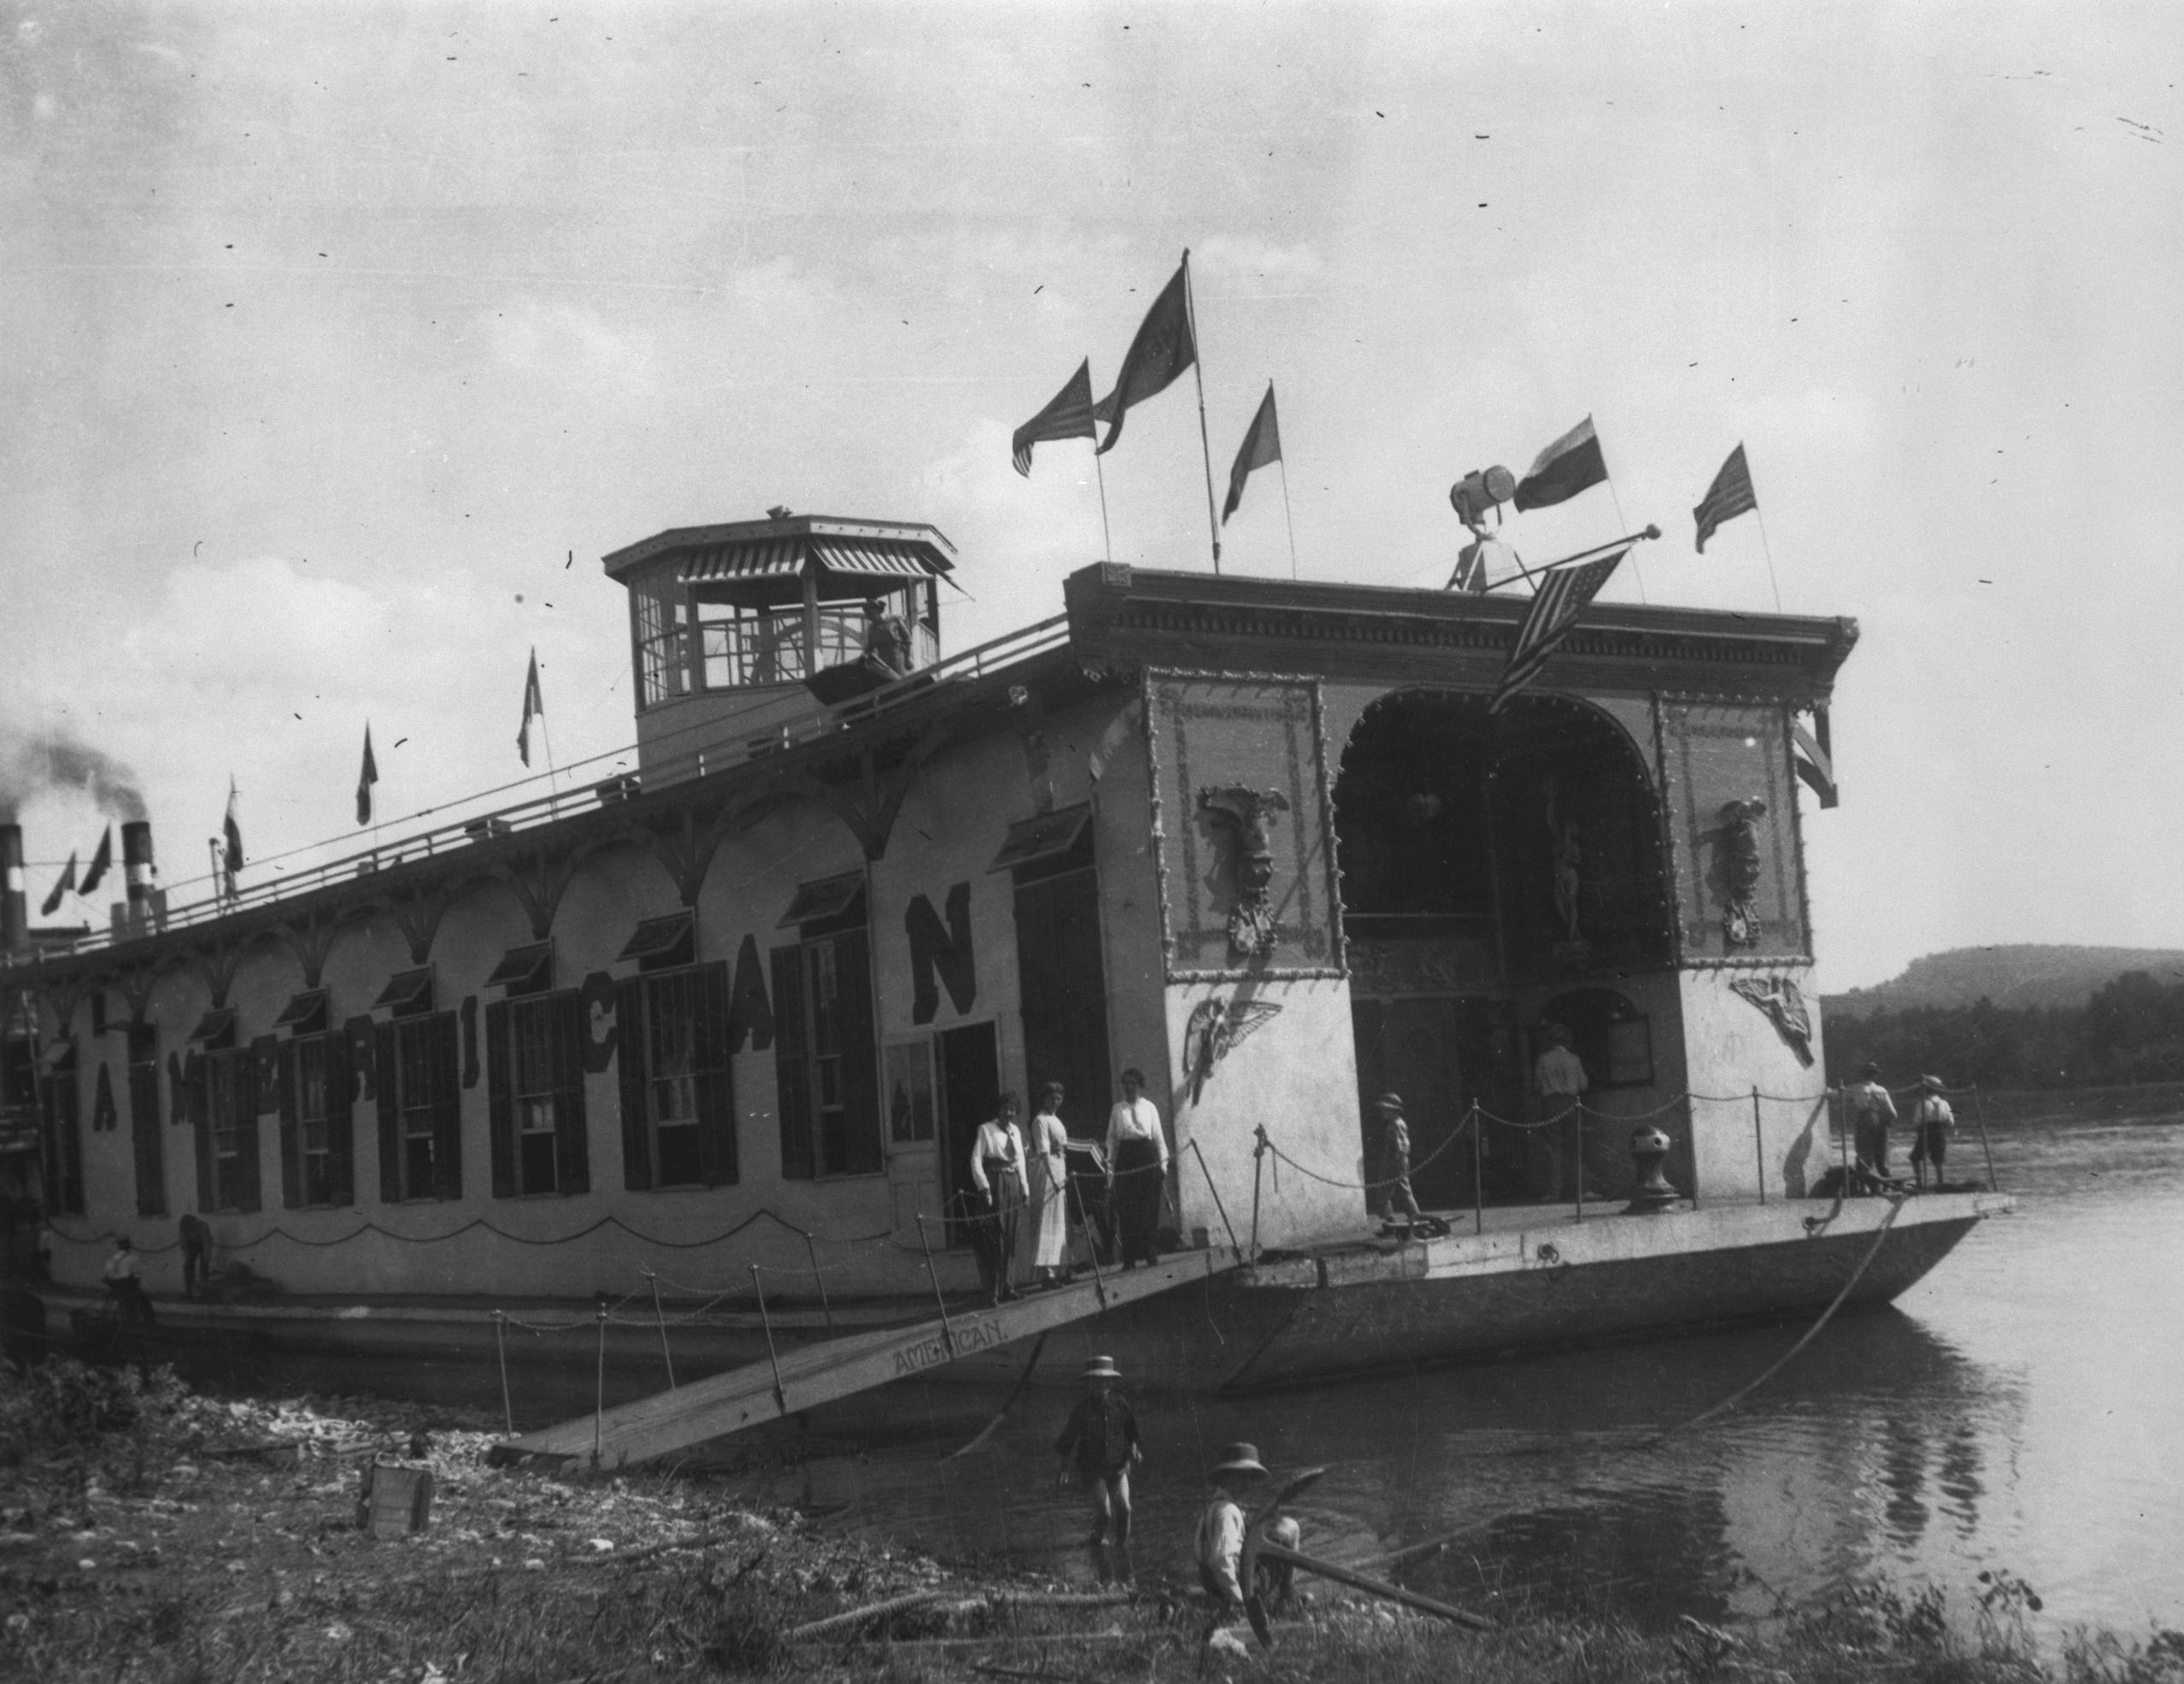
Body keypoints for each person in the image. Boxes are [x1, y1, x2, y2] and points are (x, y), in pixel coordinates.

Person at [1195, 1442, 1306, 1634]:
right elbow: (1219, 1559)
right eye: (1240, 1477)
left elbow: (1201, 1553)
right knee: (1291, 1528)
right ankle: (1286, 1597)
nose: (1247, 1484)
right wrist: (1239, 1599)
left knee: (1270, 1533)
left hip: (1212, 1584)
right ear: (1226, 1478)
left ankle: (1278, 1597)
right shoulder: (1228, 1511)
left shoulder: (1212, 1509)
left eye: (1249, 1478)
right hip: (1243, 1585)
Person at [1053, 1354, 1141, 1583]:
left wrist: (1134, 1450)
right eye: (1098, 1381)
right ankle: (1096, 1540)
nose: (1103, 1385)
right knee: (1106, 1512)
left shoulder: (1121, 1405)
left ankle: (1122, 1550)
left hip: (1119, 1467)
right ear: (1090, 1384)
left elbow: (1132, 1433)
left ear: (1111, 1383)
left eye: (1107, 1381)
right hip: (1092, 1471)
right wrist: (1064, 1469)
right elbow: (1068, 1440)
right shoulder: (1082, 1409)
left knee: (1126, 1509)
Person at [1105, 1067, 1170, 1268]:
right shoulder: (1117, 1109)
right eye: (1126, 1084)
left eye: (1133, 1083)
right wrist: (1109, 1169)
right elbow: (1111, 1141)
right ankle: (1130, 1257)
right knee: (1127, 1208)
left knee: (1148, 1207)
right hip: (1126, 1157)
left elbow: (1158, 1138)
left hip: (1146, 1156)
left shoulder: (1149, 1107)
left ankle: (1150, 1252)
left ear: (1139, 1085)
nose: (1130, 1087)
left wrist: (1163, 1164)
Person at [968, 1093, 1028, 1302]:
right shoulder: (986, 1129)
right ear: (999, 1109)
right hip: (995, 1182)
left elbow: (1020, 1160)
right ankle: (992, 1291)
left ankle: (1008, 1287)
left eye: (1012, 1109)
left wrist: (1025, 1187)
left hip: (1012, 1183)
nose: (1008, 1113)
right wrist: (984, 1187)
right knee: (994, 1237)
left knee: (1011, 1237)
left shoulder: (1016, 1131)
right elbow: (976, 1160)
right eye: (1005, 1108)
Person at [1533, 1023, 1588, 1200]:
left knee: (1554, 1149)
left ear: (1550, 1041)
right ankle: (1581, 1189)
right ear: (1567, 1040)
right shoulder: (1574, 1059)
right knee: (1575, 1147)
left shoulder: (1543, 1060)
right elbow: (1583, 1085)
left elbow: (1537, 1085)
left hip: (1550, 1104)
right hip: (1571, 1103)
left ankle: (1554, 1191)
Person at [1027, 1083, 1073, 1286]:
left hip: (1059, 1167)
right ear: (1044, 1098)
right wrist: (1053, 1179)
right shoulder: (1040, 1120)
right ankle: (1047, 1274)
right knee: (1047, 1220)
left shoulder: (1055, 1119)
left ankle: (1060, 1268)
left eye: (1058, 1099)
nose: (1055, 1102)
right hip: (1046, 1171)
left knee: (1059, 1221)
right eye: (1051, 1098)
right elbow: (1043, 1150)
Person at [1371, 1093, 1424, 1229]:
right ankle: (1391, 1223)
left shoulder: (1398, 1124)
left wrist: (1399, 1162)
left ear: (1392, 1110)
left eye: (1385, 1109)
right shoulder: (1392, 1124)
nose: (1382, 1112)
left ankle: (1417, 1220)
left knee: (1405, 1193)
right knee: (1383, 1193)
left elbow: (1403, 1144)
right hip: (1390, 1163)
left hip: (1397, 1163)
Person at [1847, 1061, 1899, 1185]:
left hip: (1864, 1121)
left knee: (1864, 1154)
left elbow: (1834, 1095)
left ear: (1861, 1075)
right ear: (1875, 1076)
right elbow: (1893, 1113)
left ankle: (1864, 1187)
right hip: (1881, 1121)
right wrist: (1889, 1123)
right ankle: (1888, 1184)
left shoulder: (1855, 1088)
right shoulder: (1881, 1090)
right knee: (1882, 1156)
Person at [1909, 1075, 1954, 1192]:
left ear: (1927, 1089)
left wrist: (1916, 1127)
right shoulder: (1944, 1103)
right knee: (1938, 1160)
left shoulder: (1922, 1103)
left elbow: (1916, 1122)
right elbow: (1950, 1122)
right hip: (1940, 1133)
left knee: (1915, 1158)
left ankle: (1919, 1183)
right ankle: (1941, 1184)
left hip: (1926, 1132)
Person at [102, 1235, 154, 1325]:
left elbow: (107, 1274)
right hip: (126, 1286)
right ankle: (147, 1320)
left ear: (118, 1246)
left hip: (114, 1286)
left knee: (130, 1292)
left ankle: (130, 1316)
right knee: (143, 1298)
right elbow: (137, 1275)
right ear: (129, 1247)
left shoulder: (112, 1258)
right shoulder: (132, 1258)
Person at [863, 597, 913, 676]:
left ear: (877, 611)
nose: (870, 618)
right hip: (883, 665)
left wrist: (908, 657)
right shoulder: (871, 629)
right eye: (868, 615)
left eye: (871, 614)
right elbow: (870, 648)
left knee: (903, 683)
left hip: (899, 660)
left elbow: (908, 638)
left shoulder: (894, 620)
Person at [178, 1211, 211, 1300]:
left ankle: (204, 1292)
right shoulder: (183, 1228)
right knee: (188, 1267)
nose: (192, 1232)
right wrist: (187, 1258)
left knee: (204, 1267)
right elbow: (183, 1244)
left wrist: (205, 1261)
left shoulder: (203, 1226)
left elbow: (207, 1246)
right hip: (191, 1244)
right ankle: (190, 1293)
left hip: (203, 1243)